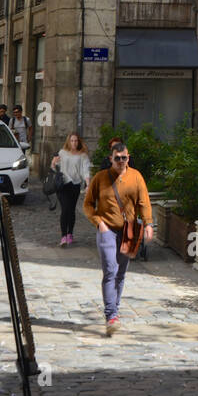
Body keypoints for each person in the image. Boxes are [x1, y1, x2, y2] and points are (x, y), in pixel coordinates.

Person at [83, 141, 153, 335]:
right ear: (111, 158)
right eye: (117, 158)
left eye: (124, 158)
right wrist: (99, 222)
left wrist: (148, 223)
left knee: (121, 273)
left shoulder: (136, 177)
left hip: (128, 231)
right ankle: (110, 315)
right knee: (110, 270)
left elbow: (144, 202)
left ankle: (115, 310)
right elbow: (88, 204)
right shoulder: (100, 178)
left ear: (128, 158)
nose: (121, 161)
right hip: (107, 230)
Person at [50, 132, 91, 245]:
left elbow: (85, 171)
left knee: (71, 210)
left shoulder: (83, 155)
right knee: (65, 209)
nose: (74, 143)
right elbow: (54, 168)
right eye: (72, 140)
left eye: (76, 141)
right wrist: (54, 163)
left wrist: (88, 184)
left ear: (79, 142)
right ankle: (63, 236)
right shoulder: (62, 152)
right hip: (63, 184)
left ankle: (70, 234)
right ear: (68, 141)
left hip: (75, 185)